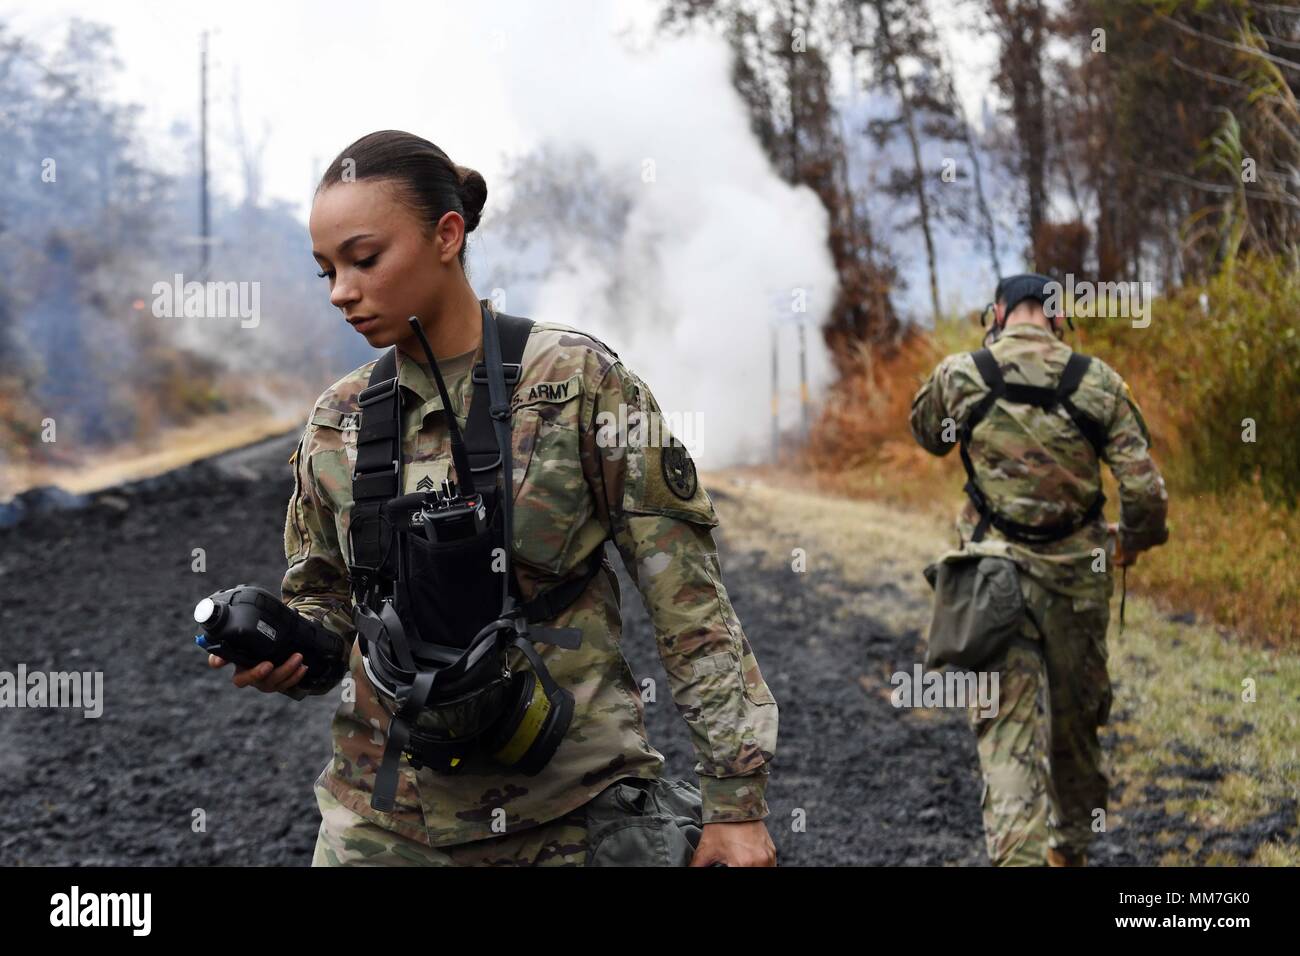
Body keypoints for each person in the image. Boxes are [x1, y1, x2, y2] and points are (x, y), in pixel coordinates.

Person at [206, 130, 778, 867]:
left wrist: (735, 803)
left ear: (448, 235)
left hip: (568, 816)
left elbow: (690, 604)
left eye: (365, 258)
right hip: (380, 823)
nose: (343, 291)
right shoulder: (336, 420)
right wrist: (290, 652)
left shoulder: (577, 382)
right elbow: (330, 607)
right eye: (326, 272)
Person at [909, 273, 1168, 867]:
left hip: (990, 583)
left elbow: (926, 436)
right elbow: (1146, 494)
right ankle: (1067, 853)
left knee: (1004, 736)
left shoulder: (962, 373)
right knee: (1076, 729)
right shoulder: (1099, 382)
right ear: (1057, 317)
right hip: (1077, 581)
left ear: (998, 313)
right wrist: (1130, 541)